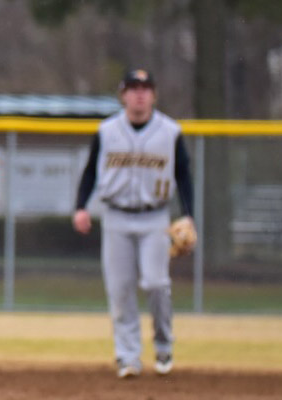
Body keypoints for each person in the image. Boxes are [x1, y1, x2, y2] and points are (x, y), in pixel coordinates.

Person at [72, 69, 195, 379]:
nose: (140, 93)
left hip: (155, 217)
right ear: (123, 94)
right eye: (133, 87)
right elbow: (90, 172)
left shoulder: (169, 131)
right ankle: (128, 357)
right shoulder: (107, 130)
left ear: (153, 94)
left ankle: (164, 344)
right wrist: (81, 207)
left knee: (156, 284)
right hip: (115, 216)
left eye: (145, 87)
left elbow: (183, 174)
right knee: (120, 289)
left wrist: (189, 214)